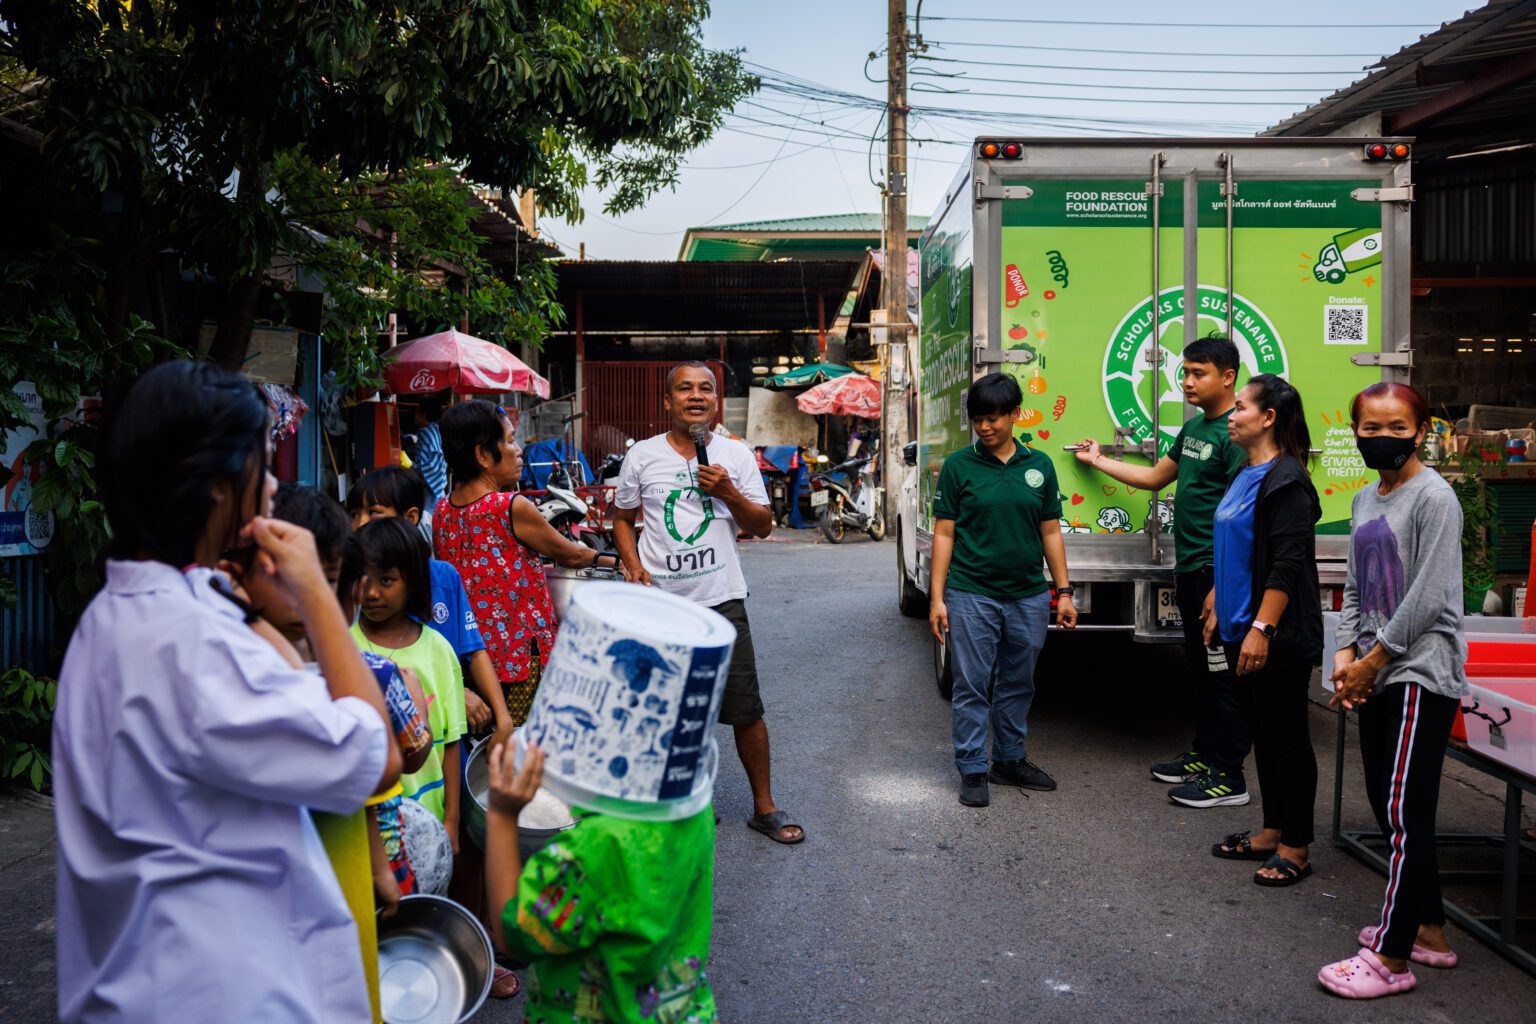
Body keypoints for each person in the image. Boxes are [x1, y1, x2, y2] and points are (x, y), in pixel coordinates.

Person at [53, 360, 400, 1023]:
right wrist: (316, 591)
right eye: (259, 467)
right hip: (217, 991)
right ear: (218, 489)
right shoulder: (188, 640)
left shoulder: (126, 613)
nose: (272, 486)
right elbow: (374, 752)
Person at [613, 362, 804, 844]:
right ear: (667, 401)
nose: (695, 396)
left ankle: (765, 807)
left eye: (705, 389)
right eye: (684, 389)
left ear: (715, 400)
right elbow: (622, 517)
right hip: (663, 606)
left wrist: (728, 492)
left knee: (746, 709)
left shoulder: (735, 455)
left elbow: (762, 524)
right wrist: (632, 563)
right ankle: (685, 803)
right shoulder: (641, 457)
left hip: (721, 600)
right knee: (667, 709)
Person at [1319, 383, 1467, 999]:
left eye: (1396, 427)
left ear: (1421, 429)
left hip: (1419, 672)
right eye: (1370, 427)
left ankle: (1392, 956)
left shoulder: (1436, 497)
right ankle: (1430, 929)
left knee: (1408, 816)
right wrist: (1346, 653)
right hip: (1376, 667)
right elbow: (1356, 585)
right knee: (1387, 807)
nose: (1382, 437)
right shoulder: (1363, 499)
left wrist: (1375, 661)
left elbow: (1429, 597)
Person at [1076, 336, 1251, 806]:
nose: (1187, 381)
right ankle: (1206, 753)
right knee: (1200, 667)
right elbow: (1156, 477)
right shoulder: (1195, 429)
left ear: (1228, 377)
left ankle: (1231, 776)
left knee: (1221, 672)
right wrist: (1098, 460)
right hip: (1189, 567)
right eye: (1186, 372)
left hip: (1216, 572)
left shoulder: (1235, 436)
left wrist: (1222, 584)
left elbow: (1241, 516)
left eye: (1199, 373)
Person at [930, 372, 1078, 808]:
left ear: (1015, 414)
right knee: (972, 684)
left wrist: (1063, 591)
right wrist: (938, 598)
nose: (985, 427)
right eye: (978, 420)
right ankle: (973, 766)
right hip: (972, 592)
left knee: (1018, 682)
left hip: (1029, 594)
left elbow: (1051, 530)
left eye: (994, 418)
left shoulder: (1040, 466)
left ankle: (1009, 759)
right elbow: (944, 534)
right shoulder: (959, 466)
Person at [1202, 374, 1322, 886]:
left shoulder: (1287, 479)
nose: (1232, 415)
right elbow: (1237, 544)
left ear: (1268, 418)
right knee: (1264, 736)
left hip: (1274, 636)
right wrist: (1215, 598)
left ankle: (1296, 845)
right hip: (1237, 625)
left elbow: (1287, 564)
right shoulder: (1247, 471)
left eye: (1242, 408)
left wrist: (1262, 630)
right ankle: (1273, 830)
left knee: (1287, 737)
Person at [433, 400, 612, 724]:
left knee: (486, 748)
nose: (518, 451)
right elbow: (570, 553)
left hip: (470, 658)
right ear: (483, 455)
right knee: (522, 745)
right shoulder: (509, 506)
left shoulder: (443, 512)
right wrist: (615, 562)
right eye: (511, 440)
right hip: (516, 656)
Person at [354, 465, 512, 746]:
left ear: (410, 517)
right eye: (354, 515)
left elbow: (473, 649)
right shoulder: (357, 586)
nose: (360, 524)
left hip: (444, 730)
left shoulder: (445, 577)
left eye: (374, 513)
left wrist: (503, 717)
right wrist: (454, 692)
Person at [351, 517, 468, 843]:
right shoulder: (343, 645)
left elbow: (452, 740)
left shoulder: (438, 651)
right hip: (362, 822)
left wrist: (452, 821)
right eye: (364, 578)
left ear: (413, 582)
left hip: (426, 817)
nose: (371, 593)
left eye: (387, 580)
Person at [412, 392, 450, 510]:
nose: (414, 415)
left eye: (417, 412)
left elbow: (429, 466)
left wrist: (411, 471)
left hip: (430, 490)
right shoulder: (437, 430)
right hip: (438, 489)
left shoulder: (426, 433)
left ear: (423, 414)